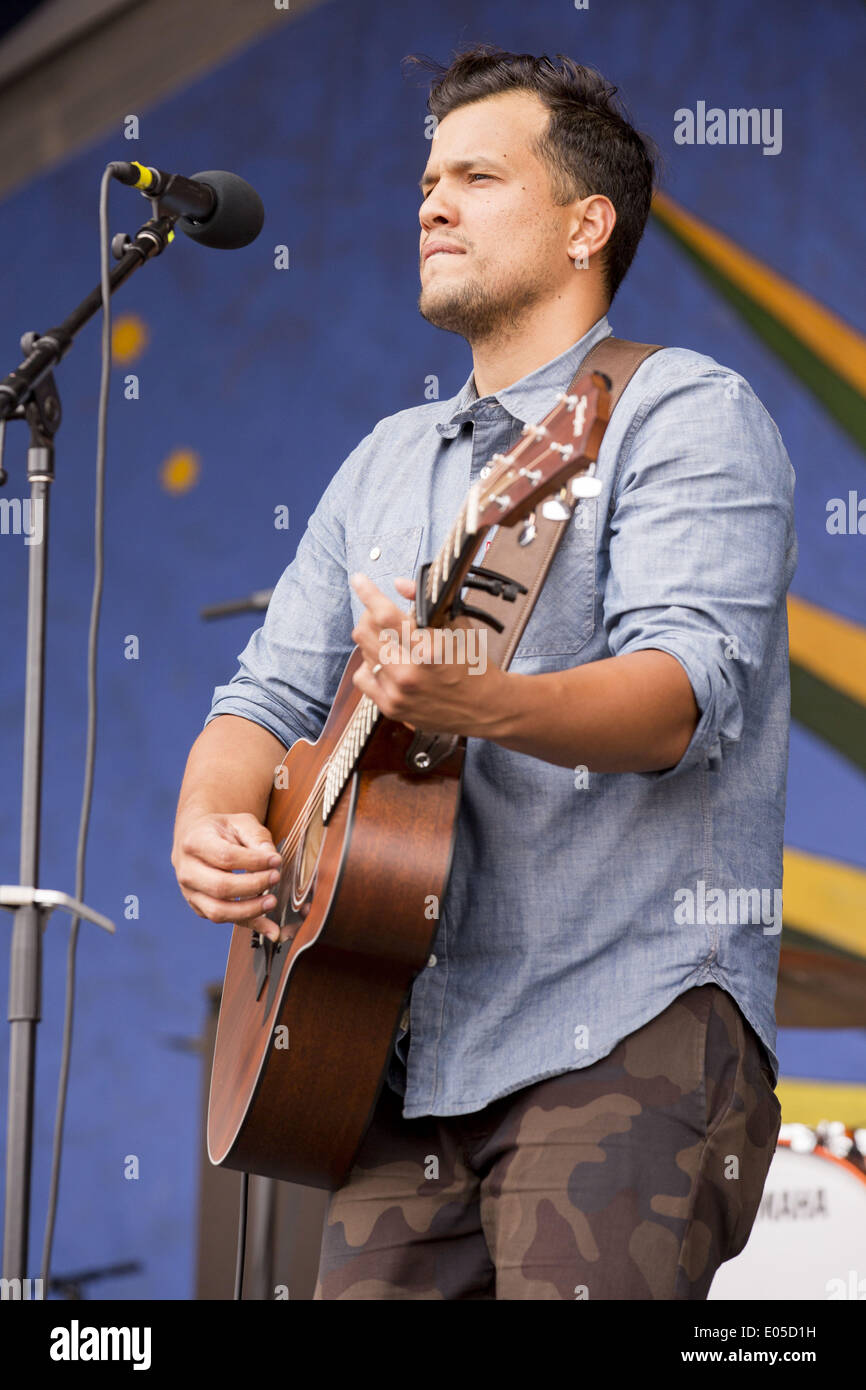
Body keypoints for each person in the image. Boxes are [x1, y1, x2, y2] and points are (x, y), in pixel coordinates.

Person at [172, 47, 795, 1299]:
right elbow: (259, 702)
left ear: (585, 224)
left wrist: (476, 700)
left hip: (625, 1023)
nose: (430, 203)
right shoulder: (386, 463)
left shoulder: (679, 413)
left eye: (474, 175)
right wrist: (214, 817)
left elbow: (681, 691)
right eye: (423, 180)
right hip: (394, 1054)